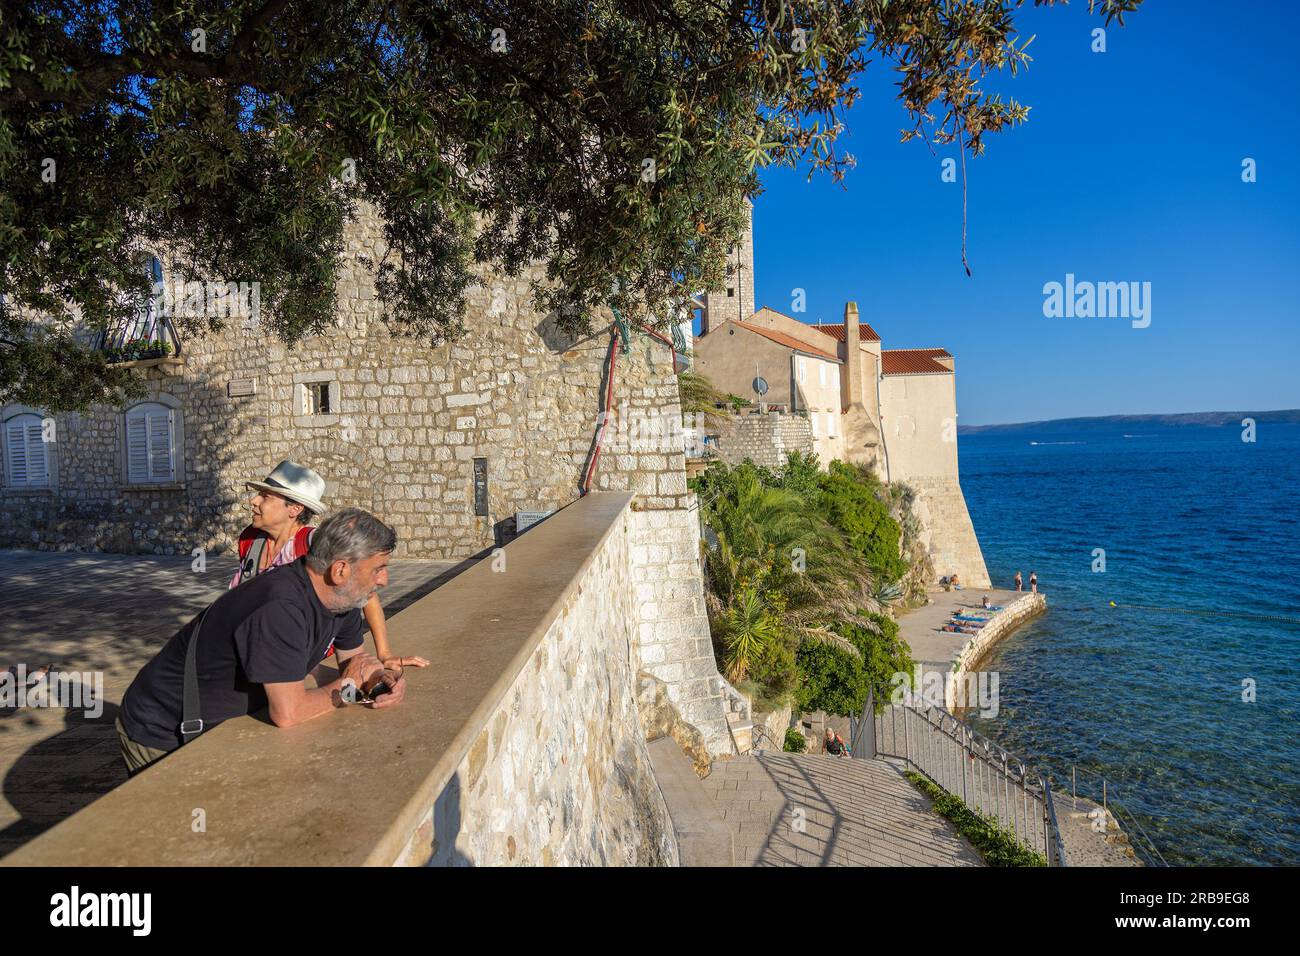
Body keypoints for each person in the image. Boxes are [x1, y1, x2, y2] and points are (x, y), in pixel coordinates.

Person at [116, 509, 408, 775]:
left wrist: (379, 680)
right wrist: (348, 687)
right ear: (340, 570)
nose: (383, 580)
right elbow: (289, 713)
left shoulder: (340, 601)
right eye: (378, 568)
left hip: (215, 727)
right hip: (163, 731)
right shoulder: (281, 606)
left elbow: (354, 664)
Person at [233, 460, 428, 671]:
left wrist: (385, 654)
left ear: (295, 509)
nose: (254, 500)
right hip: (257, 647)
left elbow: (367, 595)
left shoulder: (315, 543)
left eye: (265, 496)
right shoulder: (250, 540)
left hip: (306, 656)